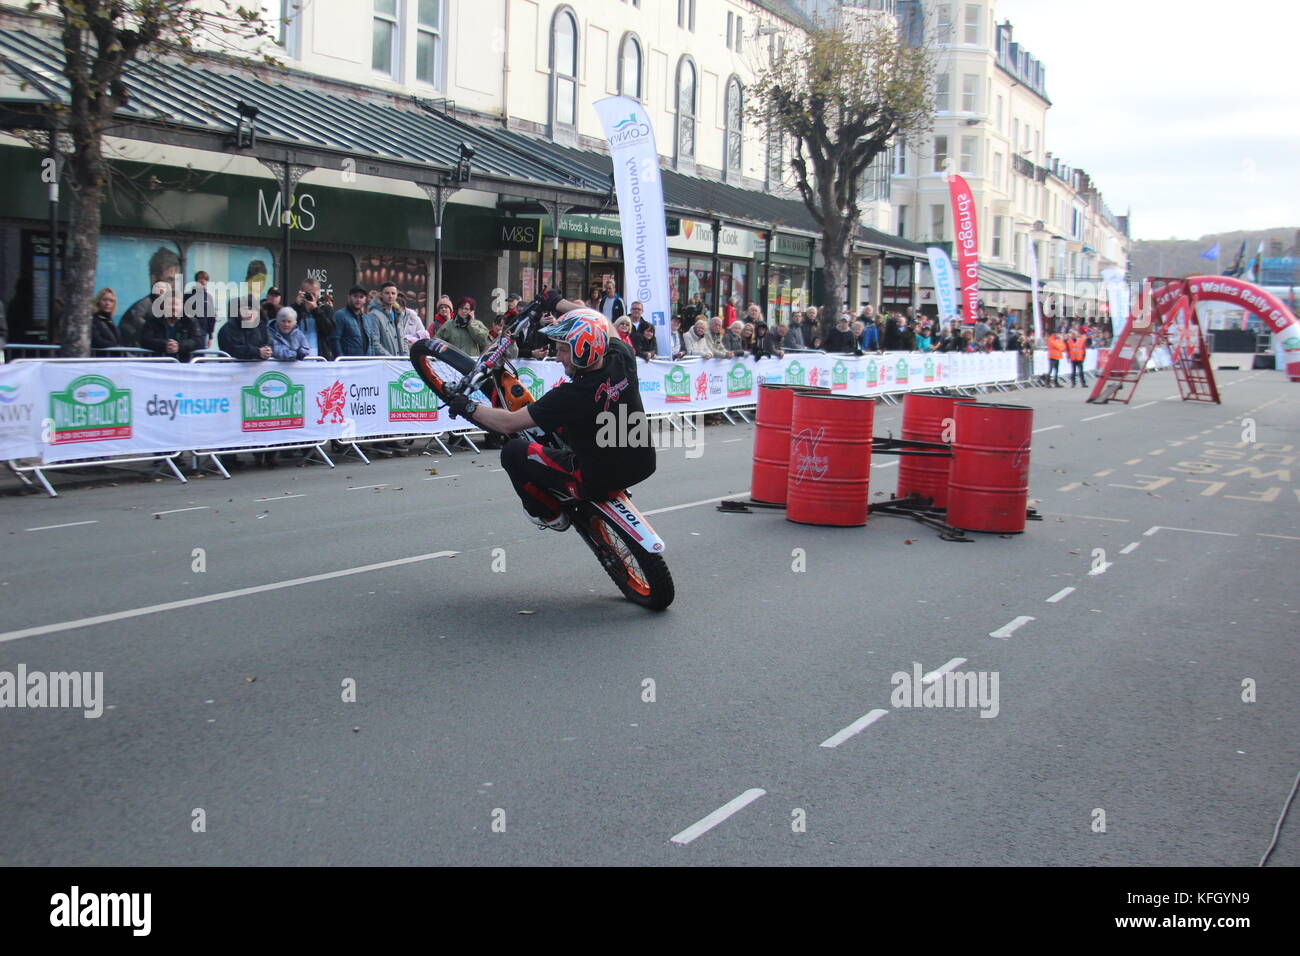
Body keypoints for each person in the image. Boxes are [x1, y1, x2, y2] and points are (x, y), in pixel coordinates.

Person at [441, 308, 656, 532]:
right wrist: (557, 302)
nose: (558, 357)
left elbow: (509, 424)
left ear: (583, 352)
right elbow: (606, 324)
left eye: (563, 350)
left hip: (598, 481)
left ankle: (551, 515)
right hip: (643, 463)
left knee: (513, 452)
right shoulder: (621, 358)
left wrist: (468, 407)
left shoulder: (571, 395)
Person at [118, 246, 180, 347]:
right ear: (153, 278)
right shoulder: (140, 310)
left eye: (176, 280)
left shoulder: (171, 308)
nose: (174, 286)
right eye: (170, 279)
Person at [141, 291, 202, 362]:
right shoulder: (153, 321)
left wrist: (179, 346)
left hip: (184, 365)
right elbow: (145, 340)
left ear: (182, 306)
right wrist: (165, 345)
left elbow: (197, 341)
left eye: (176, 304)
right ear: (163, 305)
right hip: (158, 365)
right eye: (170, 304)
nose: (173, 308)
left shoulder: (190, 321)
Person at [293, 278, 337, 360]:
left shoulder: (325, 309)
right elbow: (288, 328)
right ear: (301, 292)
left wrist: (315, 310)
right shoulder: (294, 309)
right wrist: (297, 307)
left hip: (320, 357)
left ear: (318, 293)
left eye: (314, 294)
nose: (311, 296)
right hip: (298, 357)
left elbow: (329, 330)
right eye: (308, 293)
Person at [366, 281, 404, 355]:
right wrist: (390, 358)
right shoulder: (374, 315)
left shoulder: (399, 314)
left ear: (396, 295)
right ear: (381, 295)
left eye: (393, 293)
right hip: (384, 362)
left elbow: (403, 339)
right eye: (387, 293)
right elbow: (374, 342)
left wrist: (405, 357)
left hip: (400, 362)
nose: (390, 296)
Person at [186, 270, 219, 347]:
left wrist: (210, 336)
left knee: (200, 355)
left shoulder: (208, 297)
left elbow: (211, 318)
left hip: (203, 333)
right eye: (200, 278)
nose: (203, 281)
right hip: (189, 332)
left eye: (205, 279)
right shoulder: (187, 296)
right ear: (196, 281)